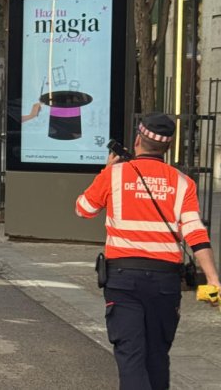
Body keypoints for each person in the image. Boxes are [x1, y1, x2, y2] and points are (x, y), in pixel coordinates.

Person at [75, 113, 221, 390]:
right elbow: (196, 233)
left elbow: (83, 209)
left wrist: (106, 171)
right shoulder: (183, 183)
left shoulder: (114, 175)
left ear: (138, 139)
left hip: (122, 278)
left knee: (130, 355)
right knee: (157, 357)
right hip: (165, 282)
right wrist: (213, 279)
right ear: (167, 148)